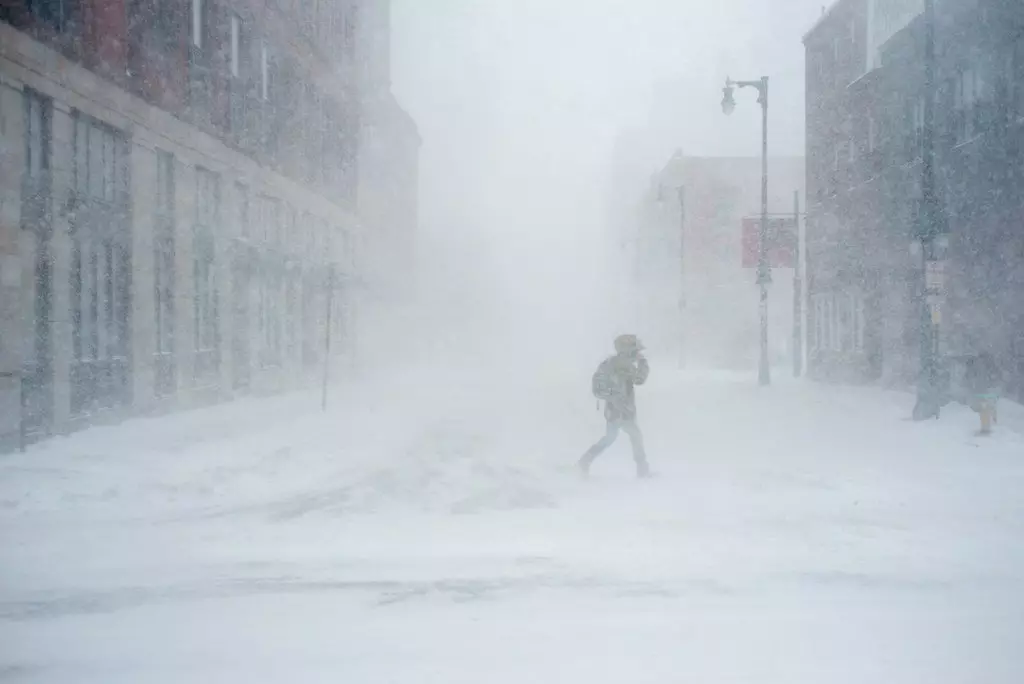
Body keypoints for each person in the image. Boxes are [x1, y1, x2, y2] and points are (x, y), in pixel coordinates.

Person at [579, 334, 651, 478]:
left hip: (618, 410)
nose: (636, 354)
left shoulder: (614, 363)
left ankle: (583, 462)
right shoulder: (619, 364)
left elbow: (635, 380)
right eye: (634, 351)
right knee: (632, 436)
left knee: (611, 438)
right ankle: (642, 471)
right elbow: (639, 379)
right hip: (620, 411)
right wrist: (643, 363)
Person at [965, 351, 1001, 435]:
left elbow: (969, 377)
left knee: (984, 409)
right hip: (988, 391)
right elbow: (996, 377)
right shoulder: (990, 365)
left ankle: (986, 427)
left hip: (981, 391)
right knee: (988, 408)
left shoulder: (976, 365)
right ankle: (991, 423)